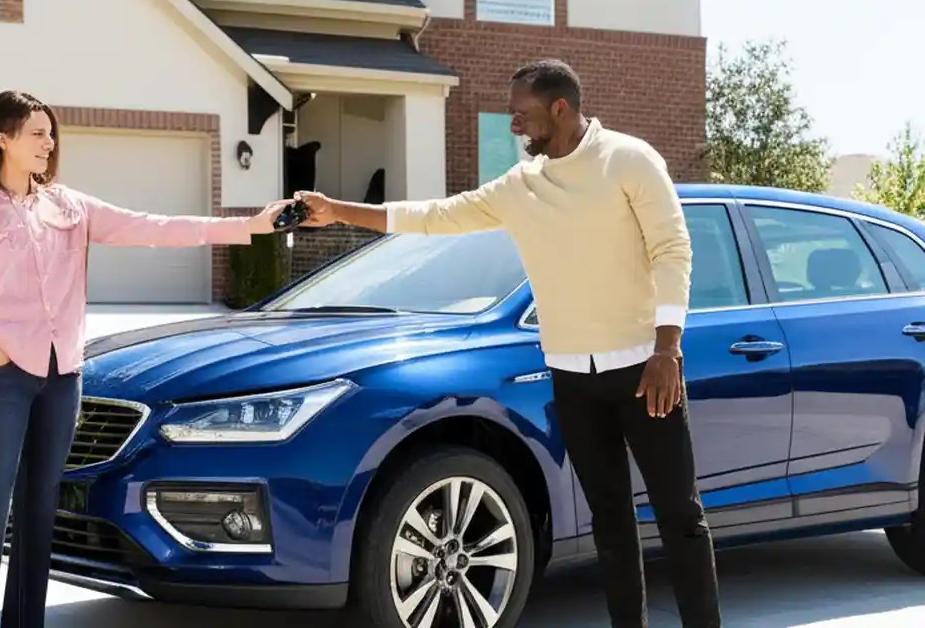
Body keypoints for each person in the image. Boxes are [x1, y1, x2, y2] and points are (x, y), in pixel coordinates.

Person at [295, 60, 721, 627]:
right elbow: (434, 217)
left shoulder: (629, 159)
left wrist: (667, 349)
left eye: (522, 115)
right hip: (572, 376)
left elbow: (673, 249)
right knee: (610, 521)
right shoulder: (521, 186)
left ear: (560, 109)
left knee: (678, 515)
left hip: (645, 369)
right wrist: (338, 210)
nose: (515, 127)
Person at [0, 90, 289, 628]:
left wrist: (249, 226)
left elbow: (155, 227)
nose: (50, 143)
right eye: (37, 134)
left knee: (39, 509)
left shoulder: (70, 207)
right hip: (2, 378)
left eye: (51, 133)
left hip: (61, 378)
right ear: (2, 139)